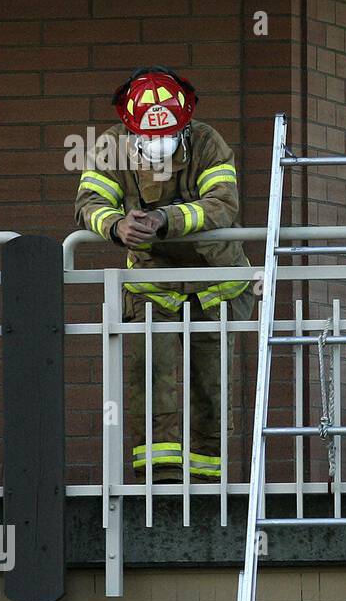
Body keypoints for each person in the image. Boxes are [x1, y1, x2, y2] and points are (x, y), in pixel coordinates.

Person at [74, 66, 254, 481]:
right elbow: (89, 203)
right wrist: (117, 226)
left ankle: (208, 477)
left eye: (167, 136)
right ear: (130, 127)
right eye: (149, 138)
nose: (158, 145)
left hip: (215, 279)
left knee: (210, 384)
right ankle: (161, 475)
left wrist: (164, 219)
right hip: (153, 280)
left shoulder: (208, 142)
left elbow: (223, 204)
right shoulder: (111, 146)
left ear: (185, 124)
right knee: (149, 375)